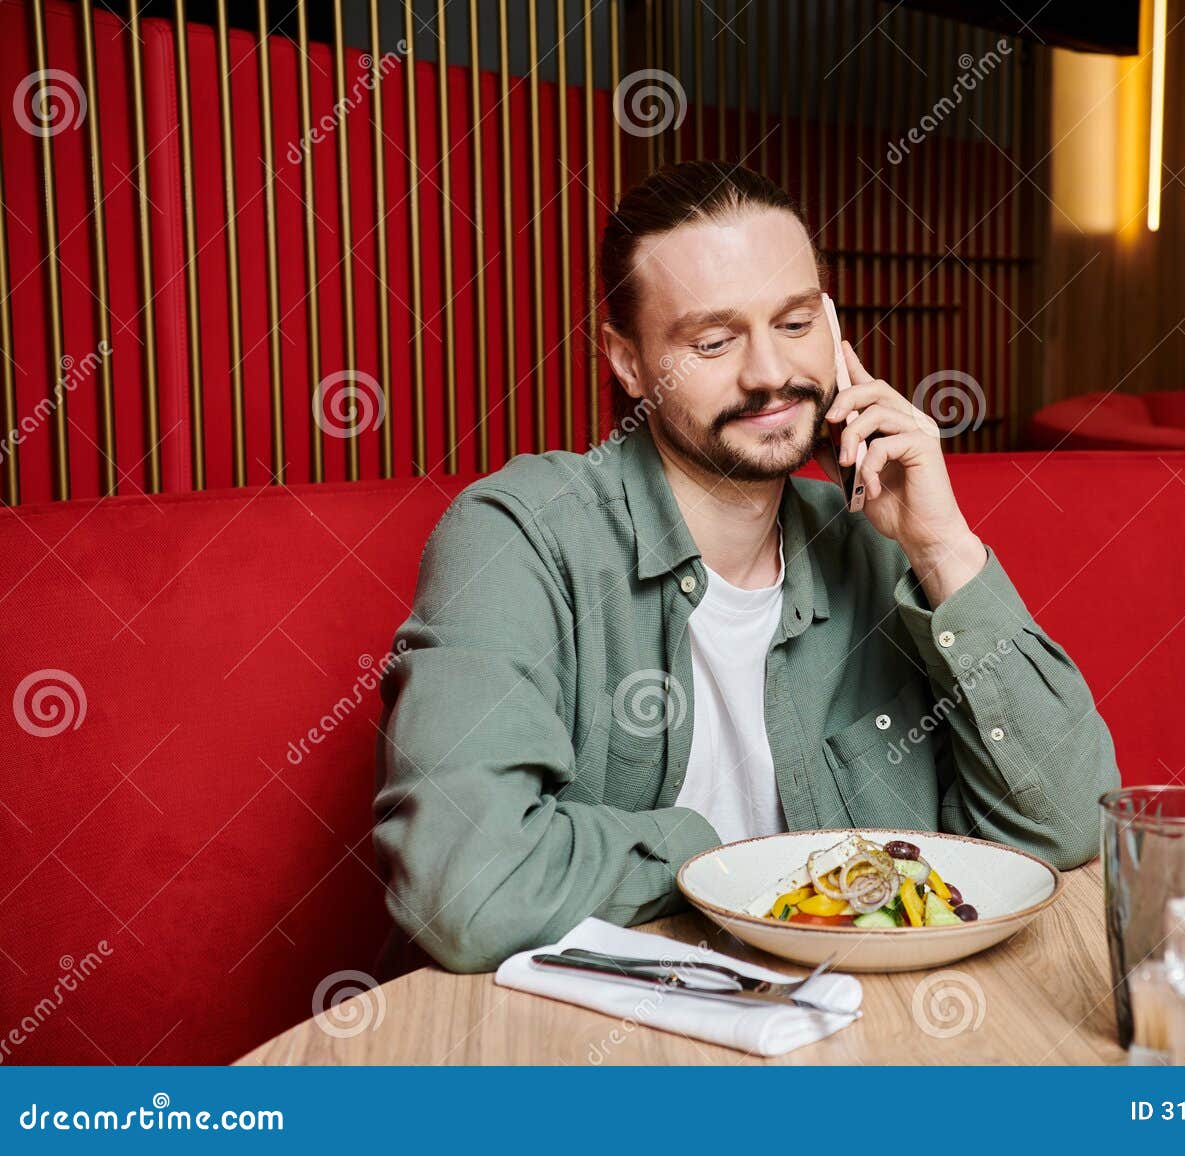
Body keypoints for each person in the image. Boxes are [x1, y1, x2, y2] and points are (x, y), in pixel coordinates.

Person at [373, 161, 1119, 973]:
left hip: (866, 1025)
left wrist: (942, 549)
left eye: (795, 324)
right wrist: (713, 859)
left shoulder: (876, 542)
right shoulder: (521, 538)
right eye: (714, 341)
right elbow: (466, 890)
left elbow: (1068, 823)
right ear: (628, 361)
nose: (769, 373)